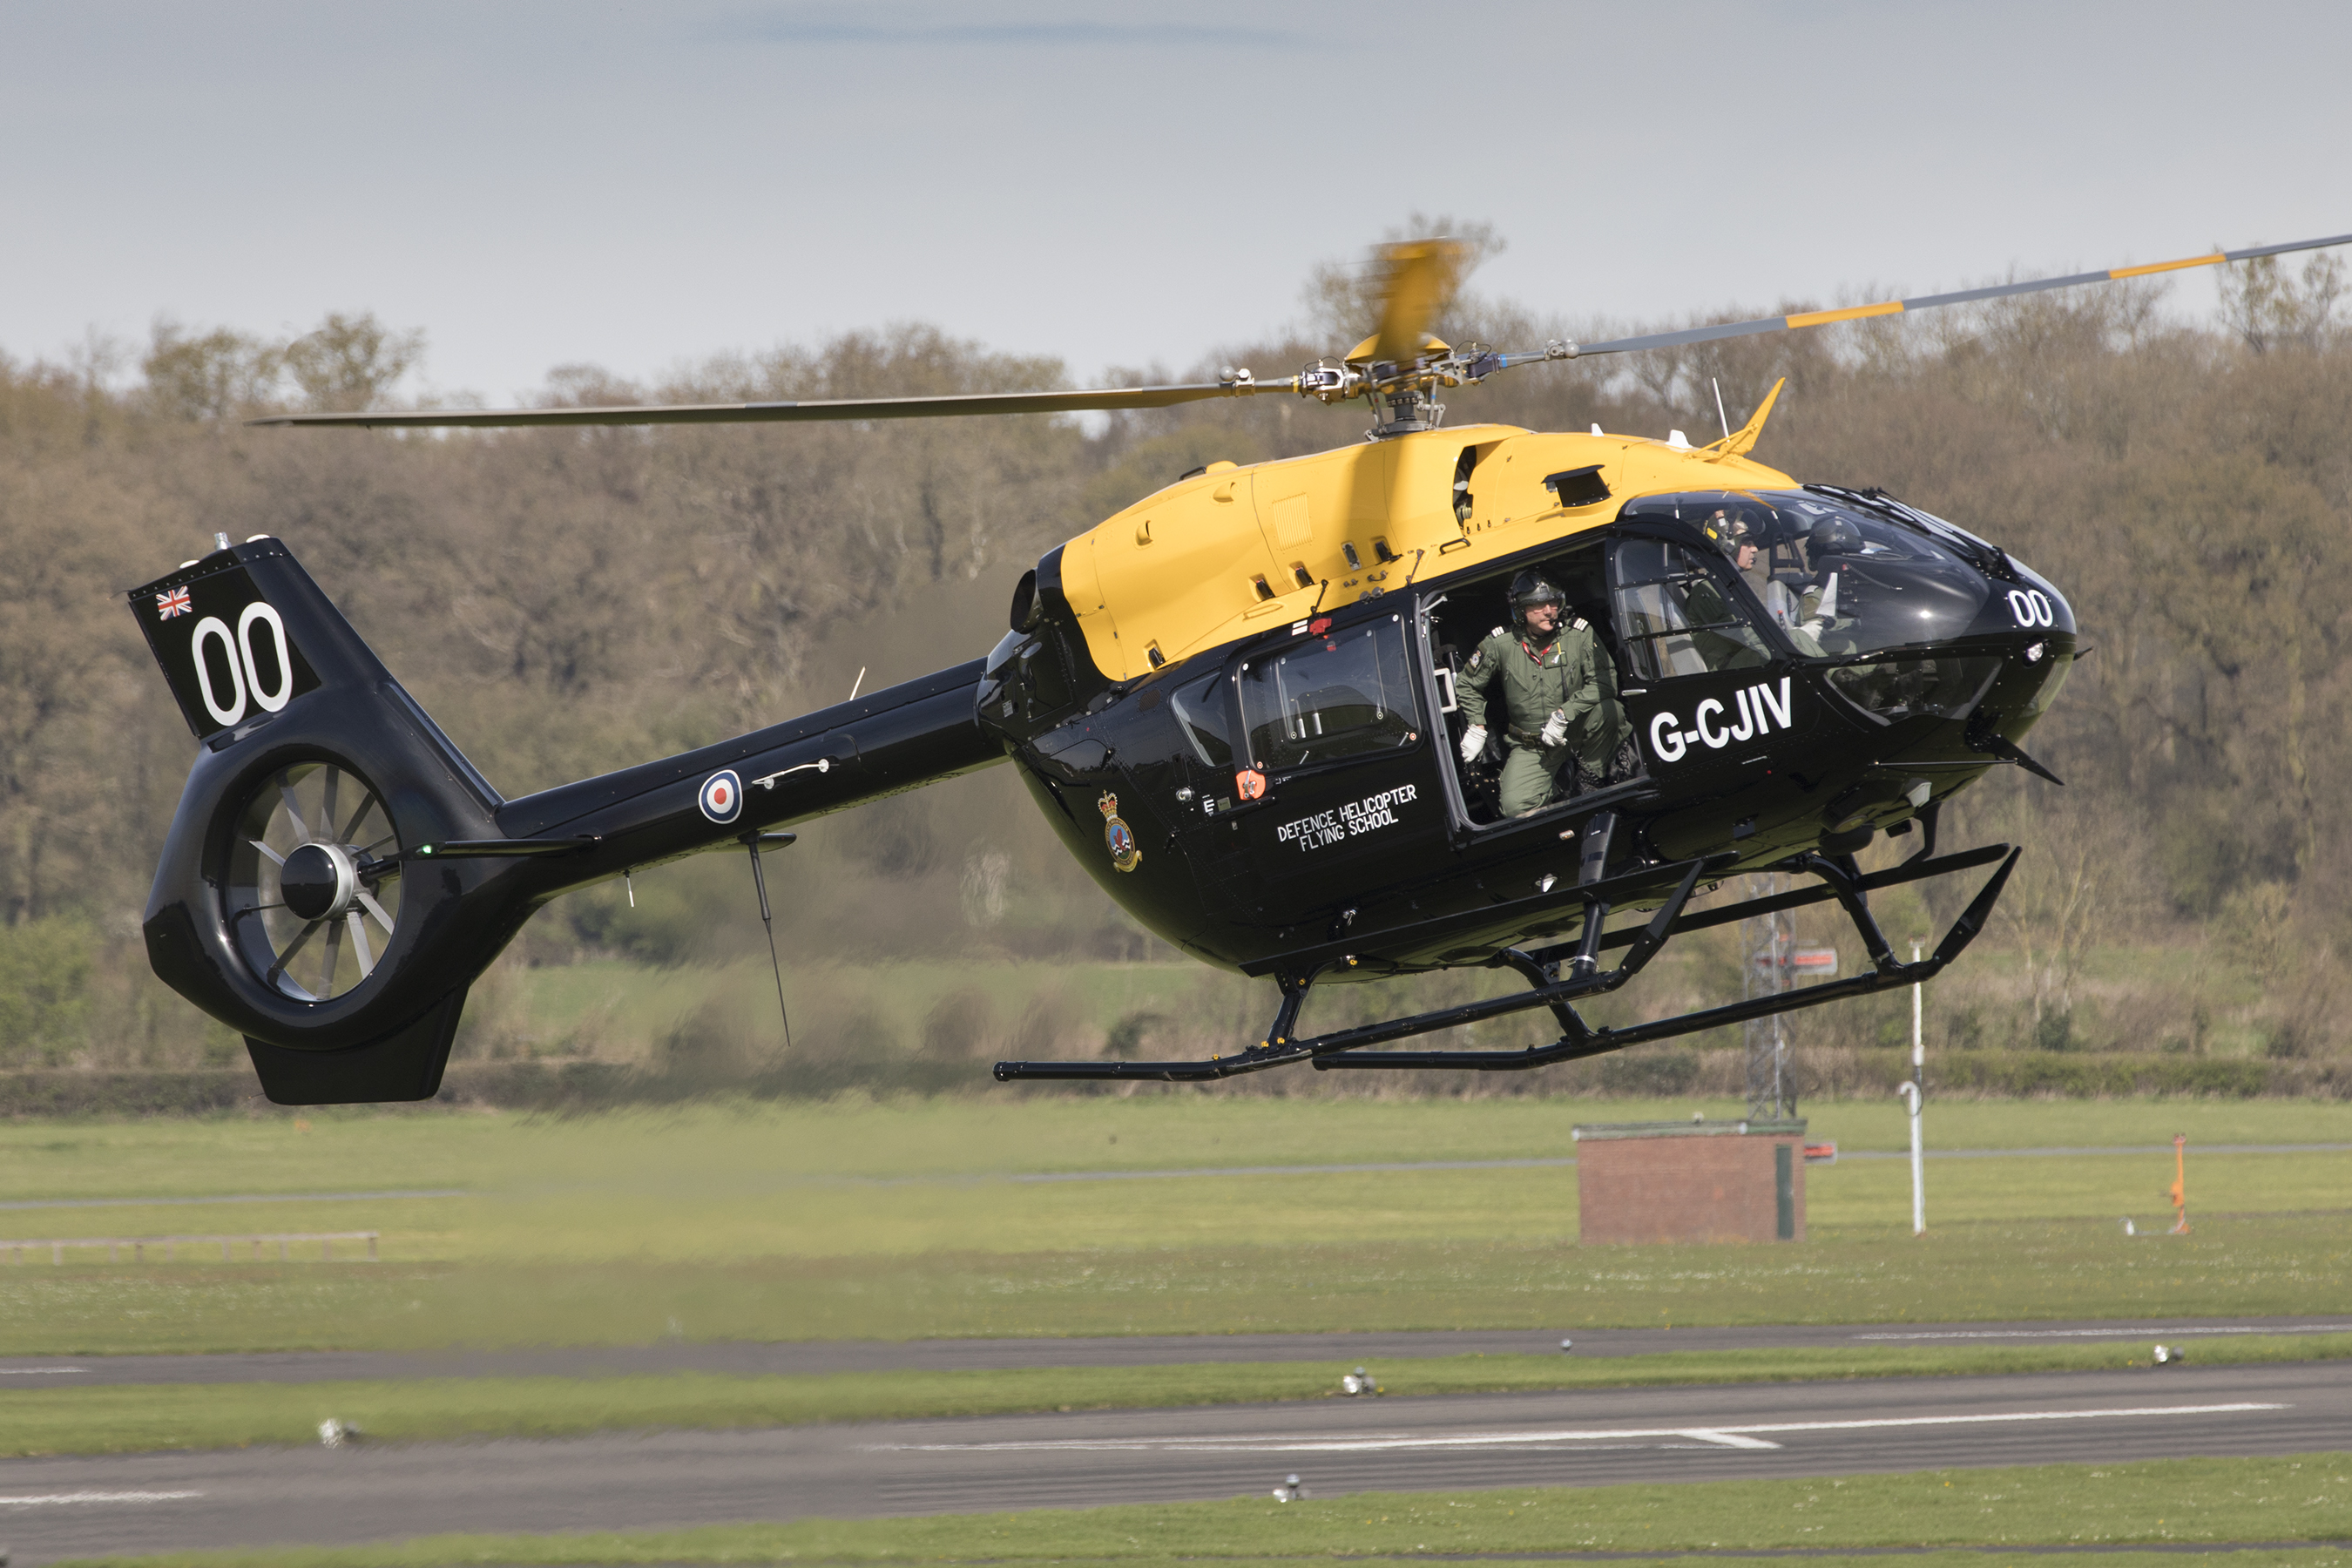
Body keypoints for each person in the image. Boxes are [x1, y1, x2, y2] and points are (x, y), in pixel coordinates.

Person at [1456, 572, 1625, 816]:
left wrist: (1565, 714)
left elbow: (1605, 682)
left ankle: (1591, 776)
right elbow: (1466, 684)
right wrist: (1477, 725)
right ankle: (1560, 785)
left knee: (1611, 711)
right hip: (1533, 745)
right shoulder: (1500, 643)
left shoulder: (1579, 634)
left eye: (1553, 602)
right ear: (1521, 610)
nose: (1549, 611)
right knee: (1514, 807)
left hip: (1576, 730)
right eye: (1539, 604)